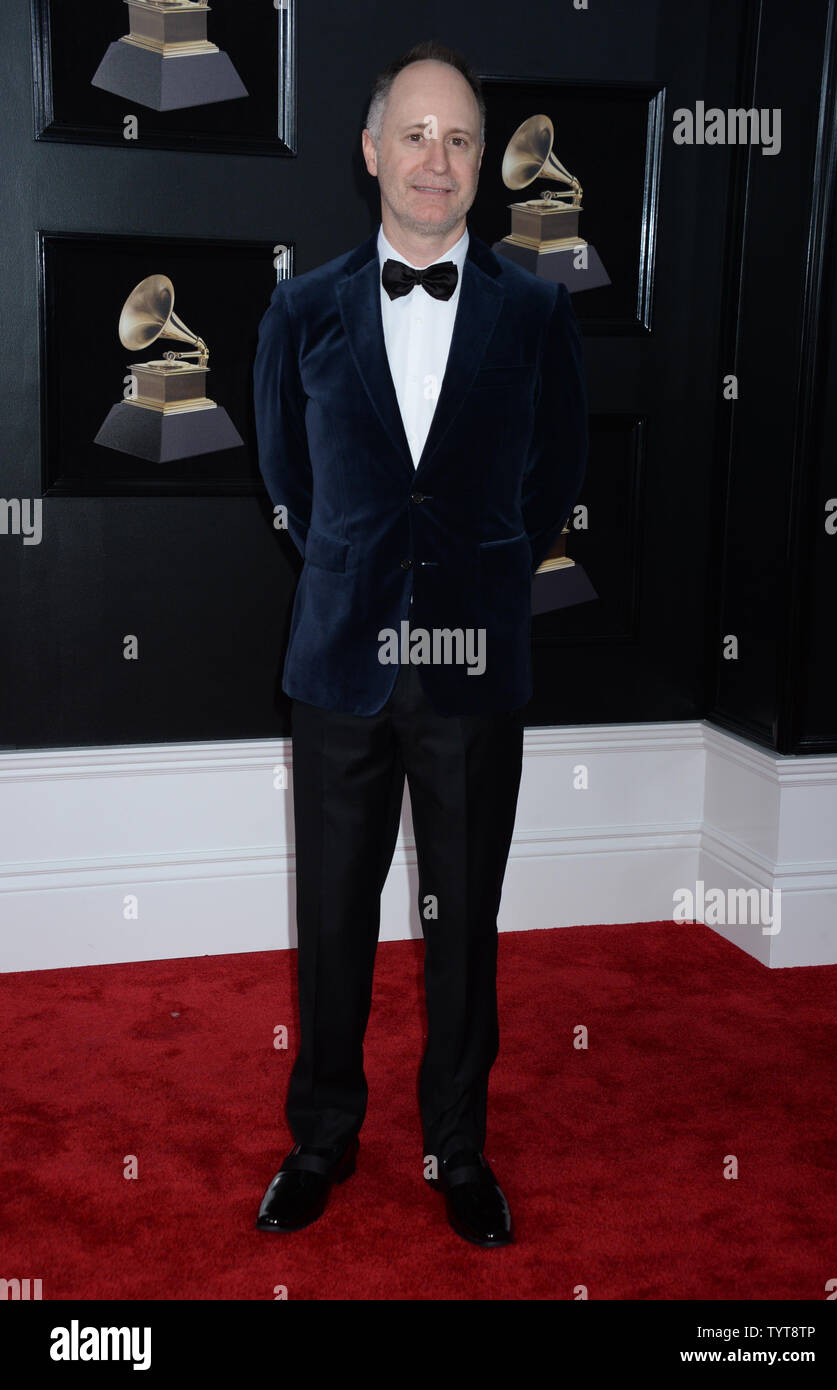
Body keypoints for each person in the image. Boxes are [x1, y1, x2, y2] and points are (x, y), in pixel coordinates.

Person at [252, 39, 588, 1247]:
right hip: (338, 662)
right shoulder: (298, 313)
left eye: (457, 139)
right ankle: (321, 1139)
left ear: (482, 164)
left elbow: (552, 482)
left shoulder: (539, 313)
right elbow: (289, 482)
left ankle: (457, 1145)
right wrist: (362, 580)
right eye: (414, 134)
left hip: (474, 667)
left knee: (463, 924)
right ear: (370, 151)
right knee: (332, 919)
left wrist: (472, 581)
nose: (434, 159)